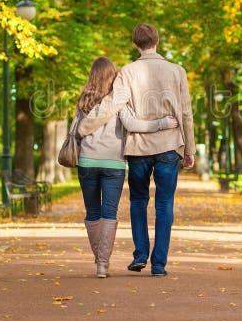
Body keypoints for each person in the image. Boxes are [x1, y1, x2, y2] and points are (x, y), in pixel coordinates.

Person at [79, 23, 195, 277]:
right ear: (157, 40)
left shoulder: (127, 72)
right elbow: (186, 113)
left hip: (139, 147)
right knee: (165, 204)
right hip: (169, 145)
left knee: (138, 201)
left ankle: (141, 253)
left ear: (135, 43)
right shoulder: (177, 71)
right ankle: (159, 264)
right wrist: (190, 148)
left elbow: (114, 103)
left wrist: (85, 125)